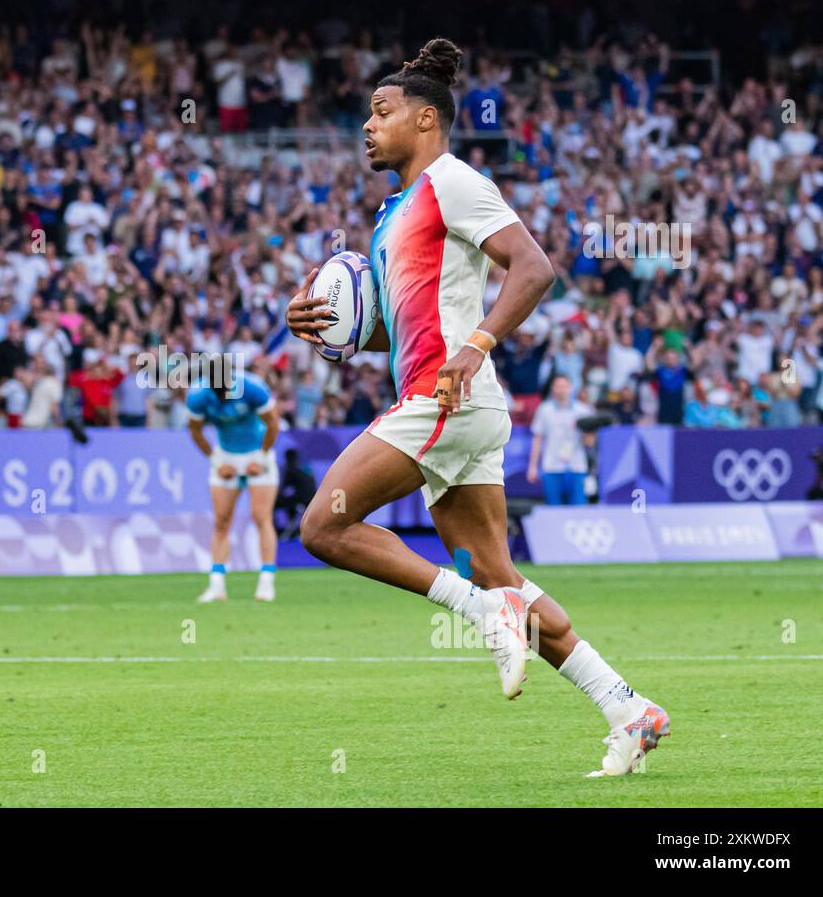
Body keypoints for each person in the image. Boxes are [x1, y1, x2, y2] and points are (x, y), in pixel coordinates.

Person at [286, 38, 669, 778]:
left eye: (382, 111)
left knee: (324, 524)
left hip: (447, 395)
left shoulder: (452, 182)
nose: (367, 125)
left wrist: (479, 344)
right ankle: (628, 707)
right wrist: (334, 333)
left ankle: (480, 612)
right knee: (498, 573)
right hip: (452, 398)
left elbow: (535, 267)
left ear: (426, 121)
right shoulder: (396, 210)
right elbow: (409, 325)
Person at [186, 359, 280, 603]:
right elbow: (195, 431)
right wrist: (217, 461)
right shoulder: (198, 395)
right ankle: (216, 585)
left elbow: (273, 424)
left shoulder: (253, 387)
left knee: (261, 516)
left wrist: (261, 458)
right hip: (226, 455)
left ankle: (266, 582)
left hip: (257, 452)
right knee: (221, 520)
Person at [527, 375, 594, 505]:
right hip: (552, 466)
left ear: (571, 388)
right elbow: (537, 438)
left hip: (577, 465)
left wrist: (588, 433)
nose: (561, 390)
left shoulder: (583, 410)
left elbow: (590, 442)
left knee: (579, 508)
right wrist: (533, 467)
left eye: (564, 386)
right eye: (557, 387)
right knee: (553, 509)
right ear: (553, 389)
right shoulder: (544, 409)